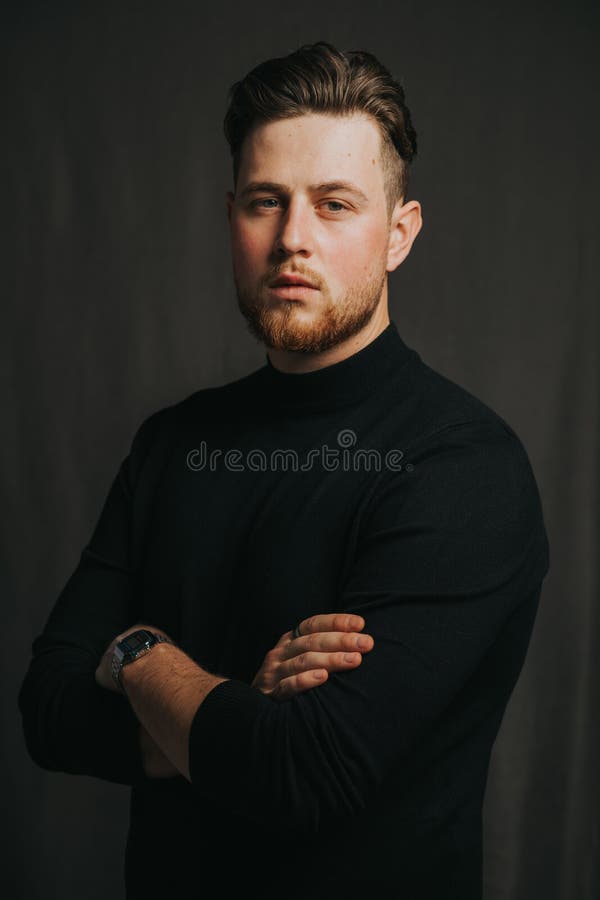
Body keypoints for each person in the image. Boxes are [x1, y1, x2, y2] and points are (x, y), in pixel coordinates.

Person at [18, 41, 550, 900]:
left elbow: (297, 774)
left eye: (335, 204)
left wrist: (138, 654)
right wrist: (231, 712)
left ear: (399, 235)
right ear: (232, 215)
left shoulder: (464, 467)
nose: (292, 238)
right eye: (267, 201)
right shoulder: (171, 443)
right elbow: (47, 712)